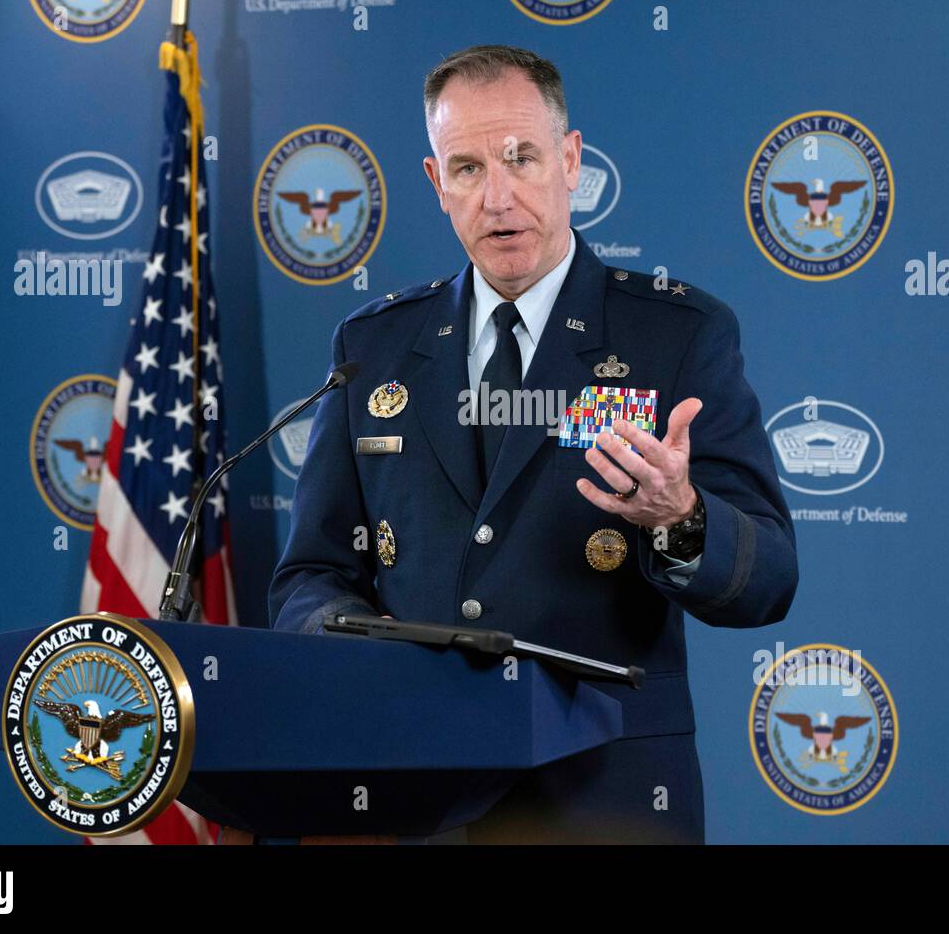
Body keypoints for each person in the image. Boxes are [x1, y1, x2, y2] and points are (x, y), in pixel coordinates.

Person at [269, 44, 798, 843]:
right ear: (435, 183)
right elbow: (310, 576)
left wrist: (680, 515)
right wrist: (362, 650)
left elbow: (770, 579)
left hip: (604, 804)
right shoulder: (373, 346)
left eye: (521, 157)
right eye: (469, 167)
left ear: (572, 161)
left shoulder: (675, 337)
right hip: (415, 796)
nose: (500, 195)